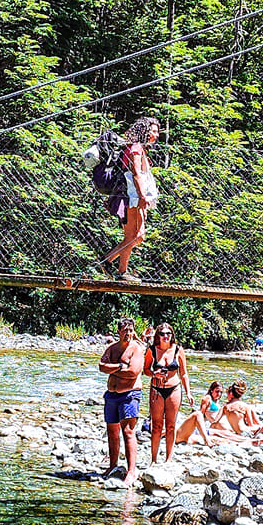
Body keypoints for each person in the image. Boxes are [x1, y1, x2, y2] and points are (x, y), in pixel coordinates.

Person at [100, 117, 161, 283]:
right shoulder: (135, 148)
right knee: (134, 236)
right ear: (144, 131)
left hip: (134, 198)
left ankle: (113, 265)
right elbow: (136, 173)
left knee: (136, 236)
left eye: (157, 131)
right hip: (131, 198)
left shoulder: (139, 148)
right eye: (153, 131)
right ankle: (114, 267)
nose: (156, 135)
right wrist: (142, 196)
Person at [97, 317, 147, 483]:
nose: (128, 334)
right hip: (112, 395)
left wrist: (112, 369)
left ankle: (131, 470)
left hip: (129, 395)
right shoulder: (112, 348)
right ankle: (113, 465)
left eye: (131, 330)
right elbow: (101, 366)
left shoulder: (136, 349)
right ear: (119, 331)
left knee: (128, 431)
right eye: (125, 331)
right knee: (112, 431)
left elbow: (133, 371)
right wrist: (119, 367)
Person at [144, 322, 191, 463]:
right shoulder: (151, 350)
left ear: (172, 335)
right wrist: (154, 374)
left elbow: (183, 373)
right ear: (157, 336)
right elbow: (145, 370)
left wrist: (188, 392)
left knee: (171, 426)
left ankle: (169, 459)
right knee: (156, 426)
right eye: (162, 334)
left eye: (168, 333)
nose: (166, 336)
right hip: (156, 390)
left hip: (174, 388)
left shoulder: (178, 350)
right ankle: (153, 459)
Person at [174, 381, 227, 446]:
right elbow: (201, 414)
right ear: (211, 390)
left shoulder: (216, 401)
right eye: (217, 391)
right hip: (202, 428)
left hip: (210, 427)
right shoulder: (207, 398)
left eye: (221, 392)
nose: (219, 394)